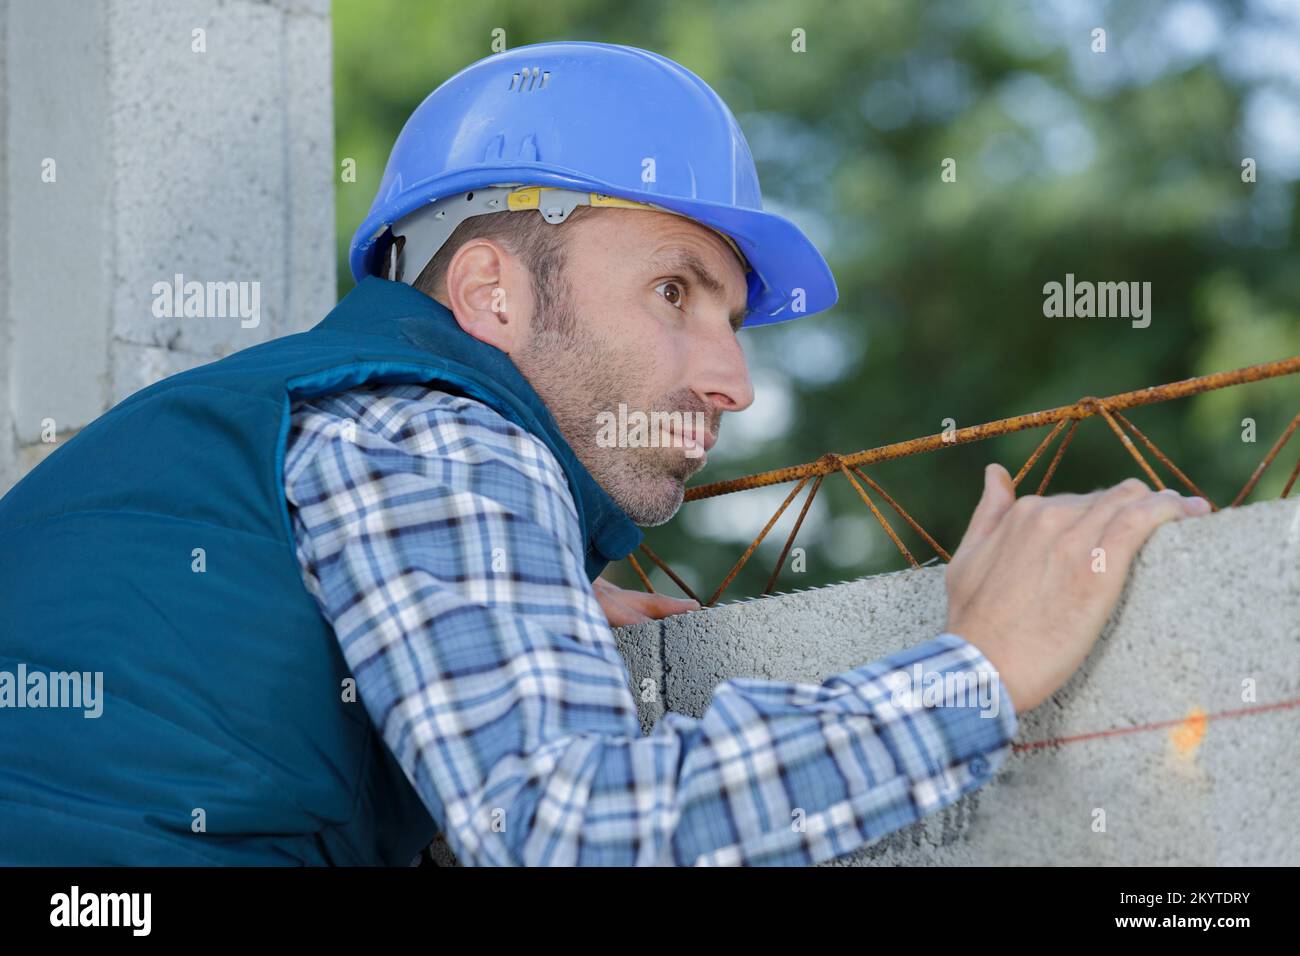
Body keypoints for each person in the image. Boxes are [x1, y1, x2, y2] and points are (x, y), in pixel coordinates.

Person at [0, 41, 1209, 866]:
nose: (731, 380)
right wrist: (975, 671)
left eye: (731, 320)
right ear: (489, 293)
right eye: (673, 290)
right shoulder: (435, 426)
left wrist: (527, 593)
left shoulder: (302, 432)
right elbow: (563, 831)